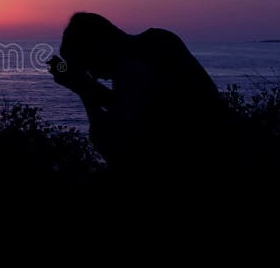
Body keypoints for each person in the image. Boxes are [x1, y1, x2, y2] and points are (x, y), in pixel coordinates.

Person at [48, 13, 229, 174]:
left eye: (88, 65)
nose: (94, 75)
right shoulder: (159, 40)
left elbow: (114, 149)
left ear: (97, 47)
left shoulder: (131, 69)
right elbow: (137, 107)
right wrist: (85, 85)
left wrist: (83, 89)